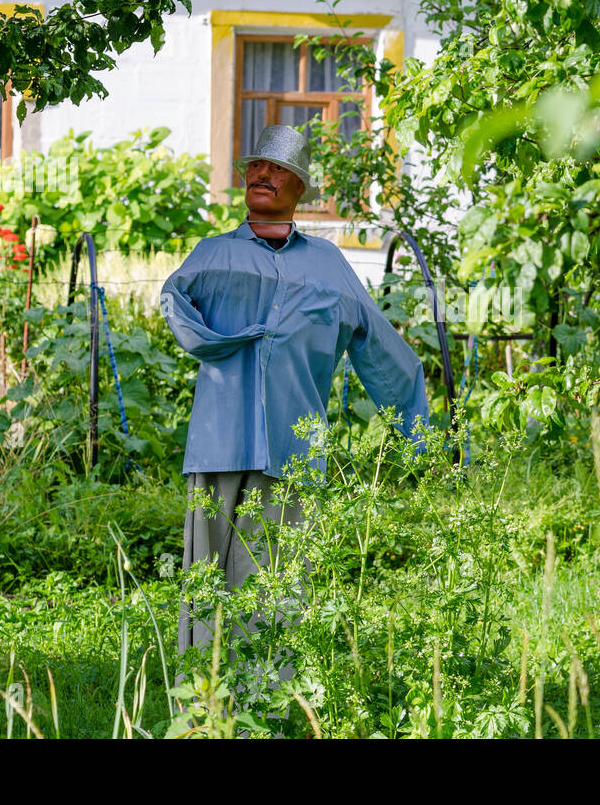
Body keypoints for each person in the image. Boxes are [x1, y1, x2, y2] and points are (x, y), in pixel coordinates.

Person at [160, 123, 431, 691]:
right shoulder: (214, 254)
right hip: (219, 440)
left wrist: (420, 438)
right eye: (255, 165)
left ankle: (270, 707)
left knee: (277, 584)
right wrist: (218, 341)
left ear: (299, 186)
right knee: (208, 577)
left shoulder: (331, 267)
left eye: (277, 168)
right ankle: (205, 706)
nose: (262, 174)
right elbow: (173, 301)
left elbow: (385, 352)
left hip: (294, 446)